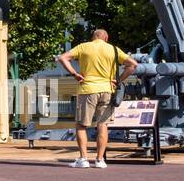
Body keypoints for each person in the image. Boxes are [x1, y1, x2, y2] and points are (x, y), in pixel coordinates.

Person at [57, 28, 138, 169]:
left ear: (93, 37)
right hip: (107, 89)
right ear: (106, 38)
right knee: (103, 125)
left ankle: (83, 159)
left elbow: (62, 58)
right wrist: (118, 80)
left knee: (81, 125)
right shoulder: (113, 49)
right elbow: (133, 65)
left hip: (87, 89)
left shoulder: (84, 47)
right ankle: (100, 160)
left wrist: (74, 74)